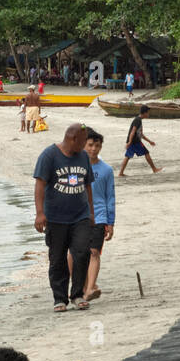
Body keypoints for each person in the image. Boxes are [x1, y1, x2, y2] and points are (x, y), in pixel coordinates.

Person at [33, 122, 95, 312]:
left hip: (80, 216)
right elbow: (40, 185)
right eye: (83, 141)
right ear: (72, 139)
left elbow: (87, 185)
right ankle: (59, 298)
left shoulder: (83, 157)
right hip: (56, 218)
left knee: (82, 252)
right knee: (57, 259)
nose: (85, 146)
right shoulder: (49, 156)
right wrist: (39, 213)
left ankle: (77, 294)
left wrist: (91, 212)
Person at [73, 127, 114, 302]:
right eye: (90, 145)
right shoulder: (75, 168)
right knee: (77, 254)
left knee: (94, 252)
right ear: (83, 146)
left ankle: (90, 288)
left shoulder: (106, 170)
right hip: (78, 216)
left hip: (99, 216)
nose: (93, 149)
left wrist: (110, 222)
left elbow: (110, 196)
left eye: (97, 146)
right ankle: (82, 286)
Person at [117, 105, 161, 176]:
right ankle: (154, 169)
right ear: (144, 113)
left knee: (127, 156)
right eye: (148, 112)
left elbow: (141, 134)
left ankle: (121, 173)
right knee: (146, 153)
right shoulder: (137, 120)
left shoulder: (139, 120)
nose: (148, 114)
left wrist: (149, 141)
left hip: (133, 141)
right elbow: (133, 131)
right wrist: (130, 142)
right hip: (135, 142)